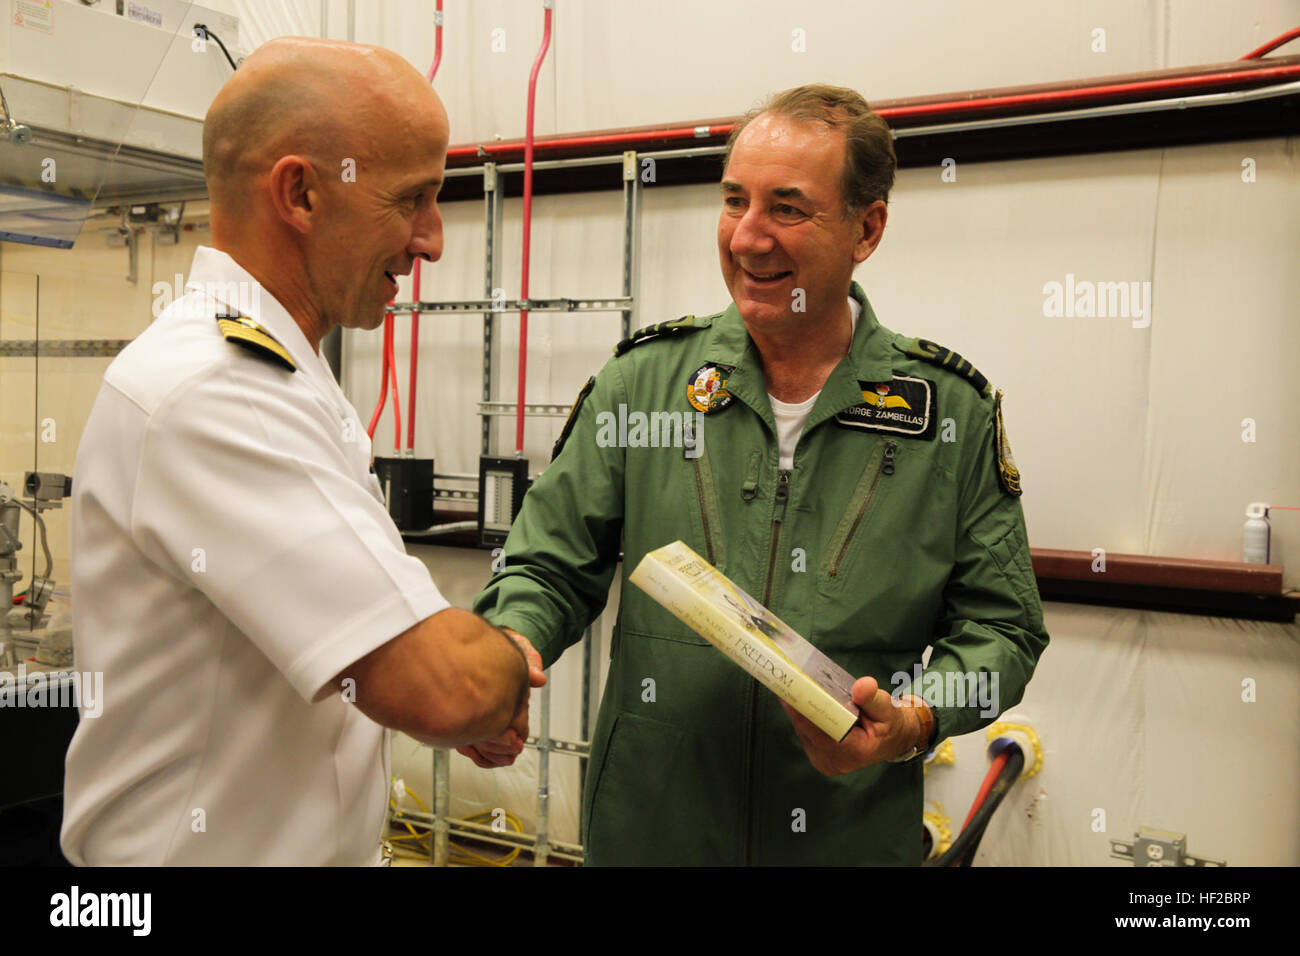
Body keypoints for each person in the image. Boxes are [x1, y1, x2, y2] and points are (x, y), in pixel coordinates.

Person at [470, 84, 1050, 865]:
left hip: (843, 841)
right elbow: (546, 564)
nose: (747, 238)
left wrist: (914, 721)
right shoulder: (646, 383)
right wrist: (508, 653)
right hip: (651, 834)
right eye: (734, 201)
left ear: (867, 227)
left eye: (787, 208)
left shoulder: (947, 413)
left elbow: (1003, 631)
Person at [62, 37, 542, 866]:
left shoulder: (274, 375)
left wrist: (462, 689)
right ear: (302, 194)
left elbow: (367, 663)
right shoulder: (216, 390)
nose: (431, 240)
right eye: (413, 199)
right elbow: (440, 685)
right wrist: (503, 671)